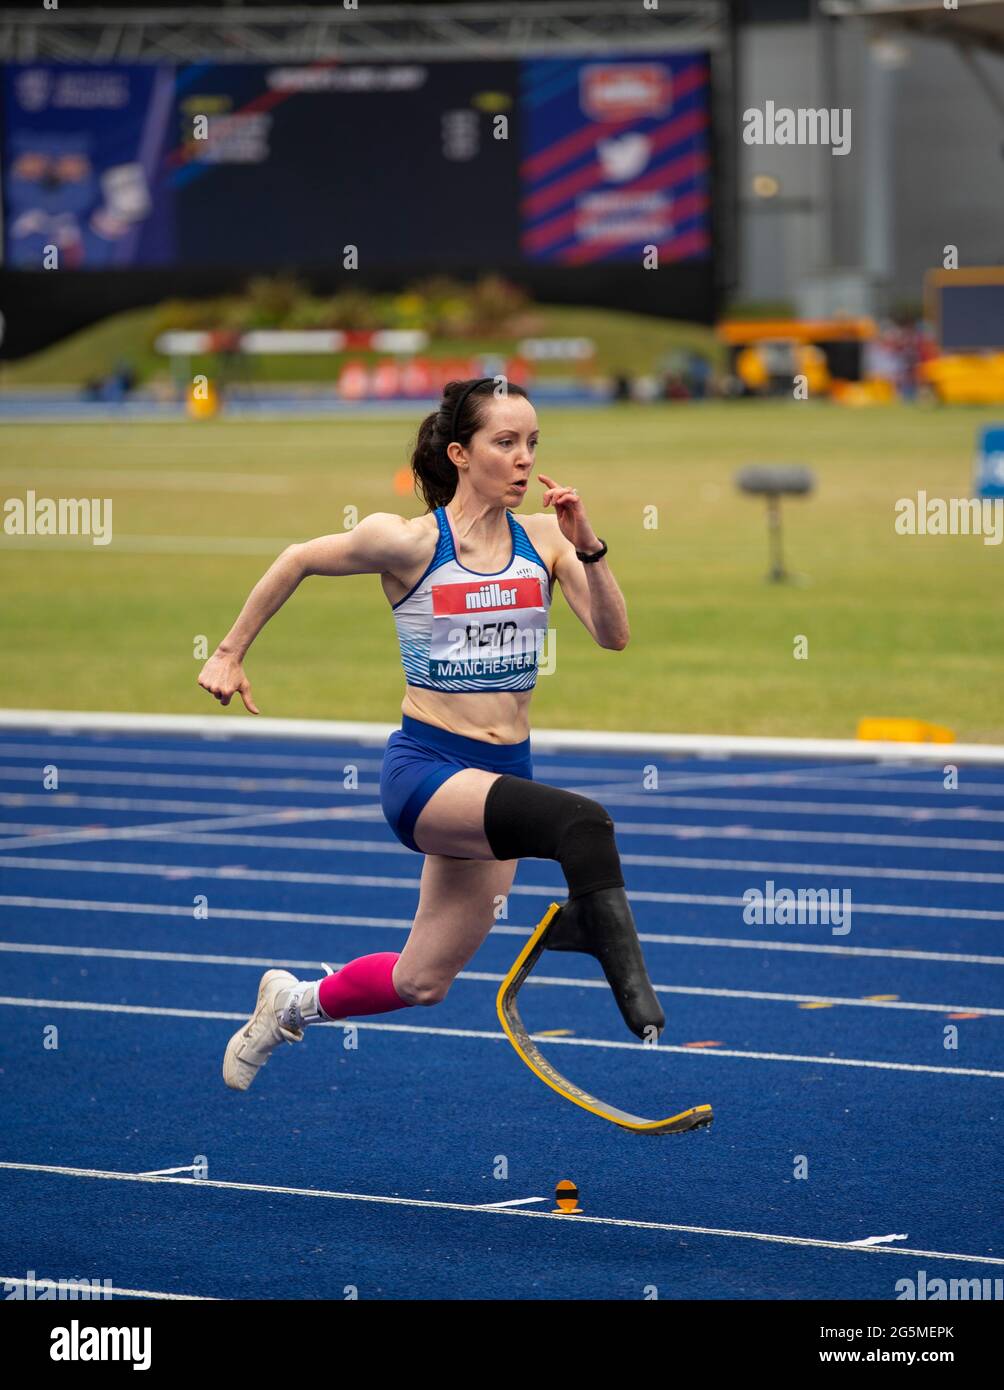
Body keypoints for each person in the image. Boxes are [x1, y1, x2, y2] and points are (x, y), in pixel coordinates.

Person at [197, 377, 664, 1092]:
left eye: (532, 443)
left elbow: (613, 636)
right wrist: (229, 652)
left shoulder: (546, 540)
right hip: (426, 774)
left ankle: (290, 1004)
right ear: (460, 453)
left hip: (504, 772)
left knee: (422, 981)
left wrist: (589, 545)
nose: (524, 460)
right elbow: (297, 557)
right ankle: (612, 958)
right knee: (582, 825)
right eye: (505, 443)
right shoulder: (410, 542)